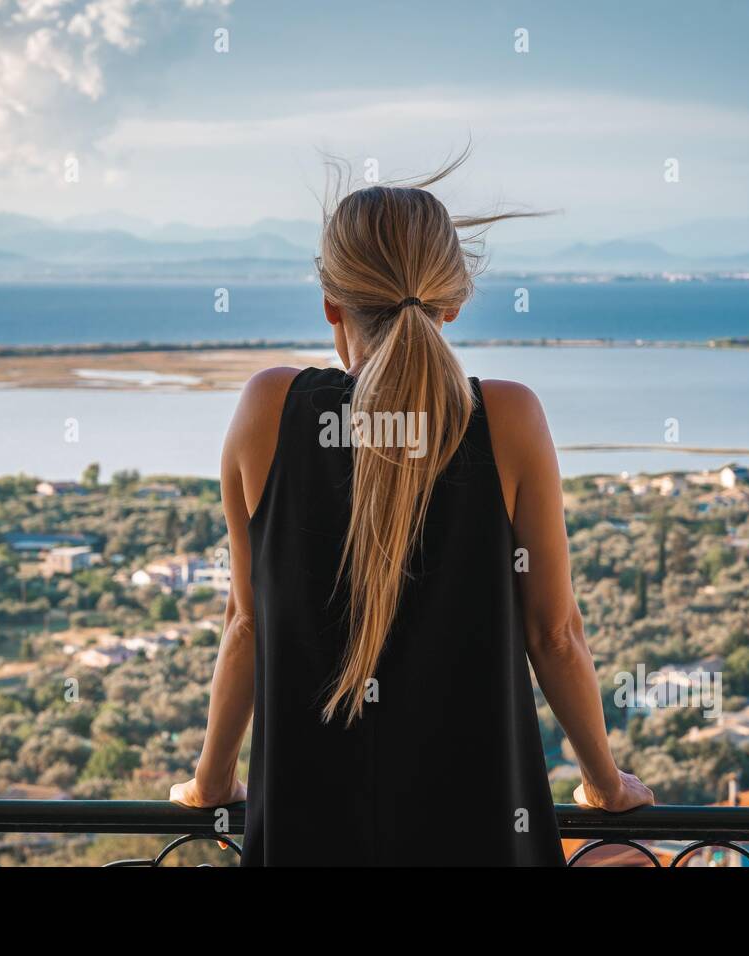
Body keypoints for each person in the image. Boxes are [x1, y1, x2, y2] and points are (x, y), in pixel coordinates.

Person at [171, 158, 653, 865]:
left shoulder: (268, 409)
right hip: (482, 835)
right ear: (452, 302)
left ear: (331, 303)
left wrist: (211, 782)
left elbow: (246, 624)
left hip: (308, 835)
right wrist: (604, 786)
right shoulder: (510, 418)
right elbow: (554, 635)